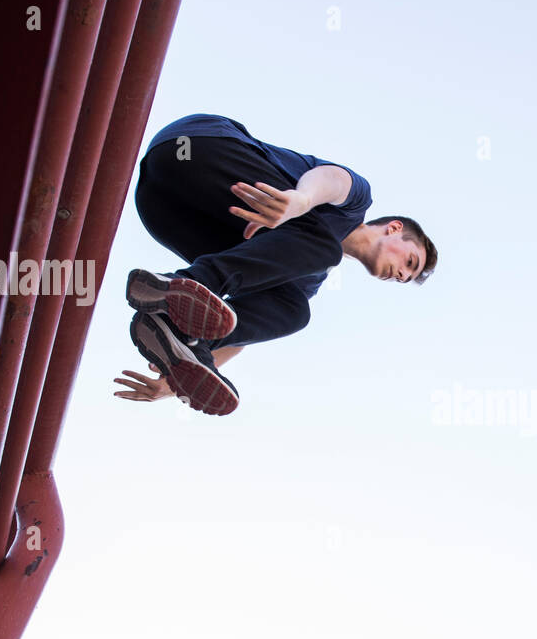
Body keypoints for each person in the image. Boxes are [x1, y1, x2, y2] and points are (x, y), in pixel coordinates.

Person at [114, 113, 438, 415]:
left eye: (405, 278)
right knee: (323, 247)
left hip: (162, 204)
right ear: (394, 228)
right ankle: (183, 285)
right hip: (198, 148)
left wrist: (175, 380)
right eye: (410, 261)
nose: (402, 274)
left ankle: (178, 334)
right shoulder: (354, 204)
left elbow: (241, 333)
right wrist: (302, 200)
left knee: (293, 308)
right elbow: (333, 179)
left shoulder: (306, 271)